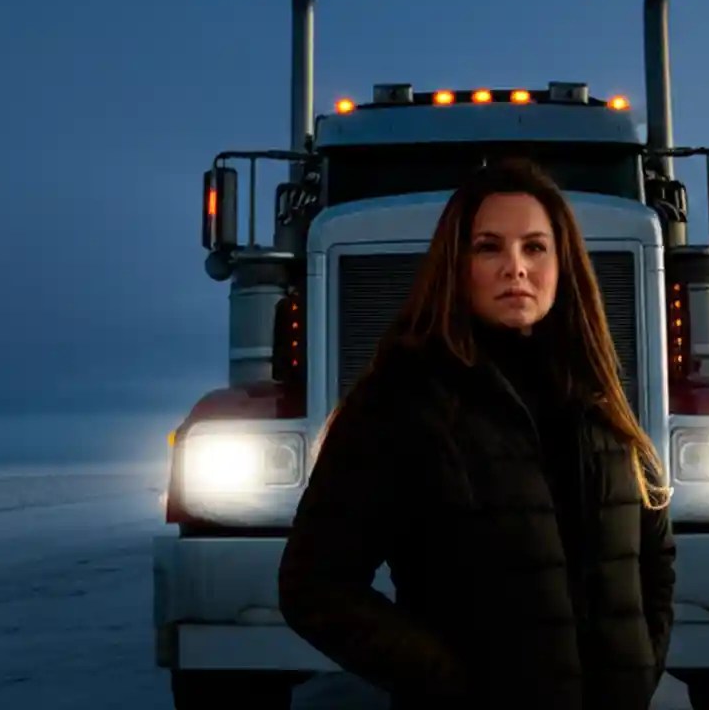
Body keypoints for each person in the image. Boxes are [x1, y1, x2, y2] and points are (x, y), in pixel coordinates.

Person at [277, 158, 676, 710]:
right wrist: (451, 684)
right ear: (455, 264)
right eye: (490, 247)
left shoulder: (599, 405)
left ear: (563, 265)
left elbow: (655, 559)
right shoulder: (402, 404)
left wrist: (642, 668)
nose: (516, 267)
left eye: (535, 247)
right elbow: (313, 586)